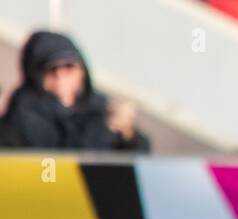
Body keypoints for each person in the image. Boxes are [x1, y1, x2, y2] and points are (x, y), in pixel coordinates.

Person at [0, 31, 150, 151]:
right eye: (51, 70)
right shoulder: (20, 115)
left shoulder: (101, 109)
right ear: (35, 76)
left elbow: (137, 162)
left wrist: (129, 135)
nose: (60, 77)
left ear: (82, 70)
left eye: (68, 67)